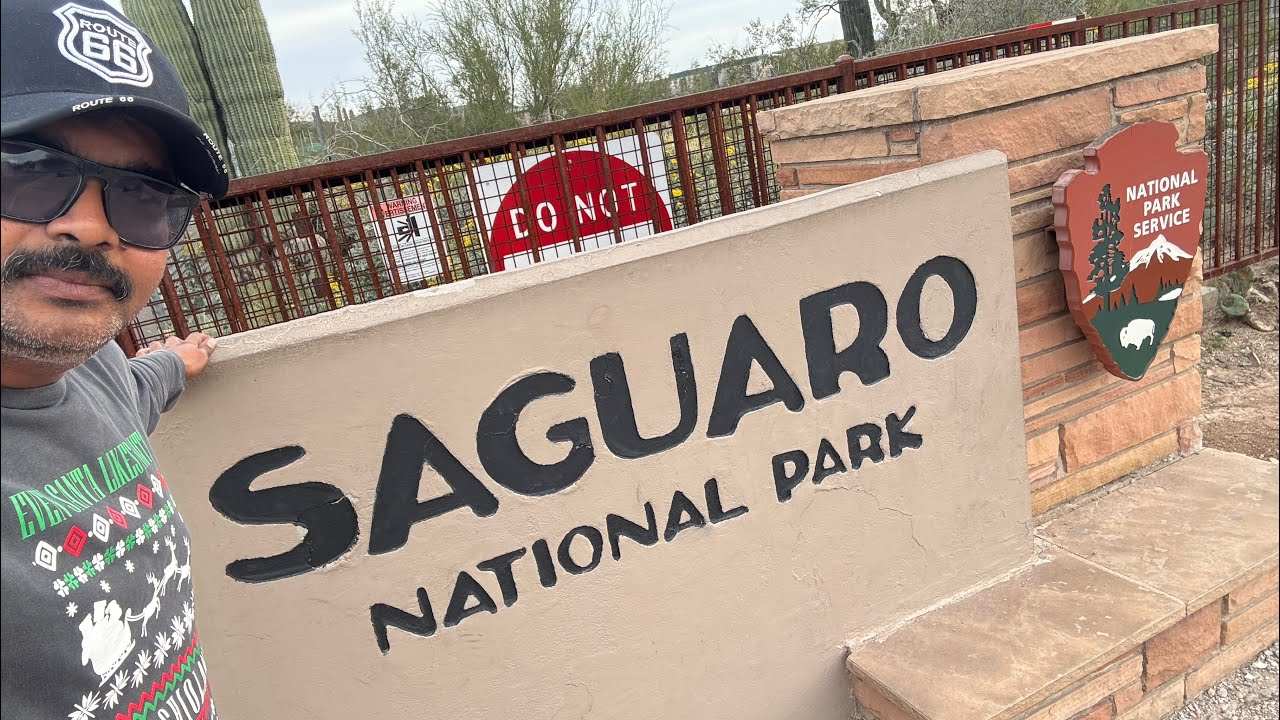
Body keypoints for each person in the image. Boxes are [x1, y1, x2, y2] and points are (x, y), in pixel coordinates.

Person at [1, 1, 230, 718]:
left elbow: (134, 390)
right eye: (28, 170)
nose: (93, 226)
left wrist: (177, 362)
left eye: (142, 195)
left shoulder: (88, 366)